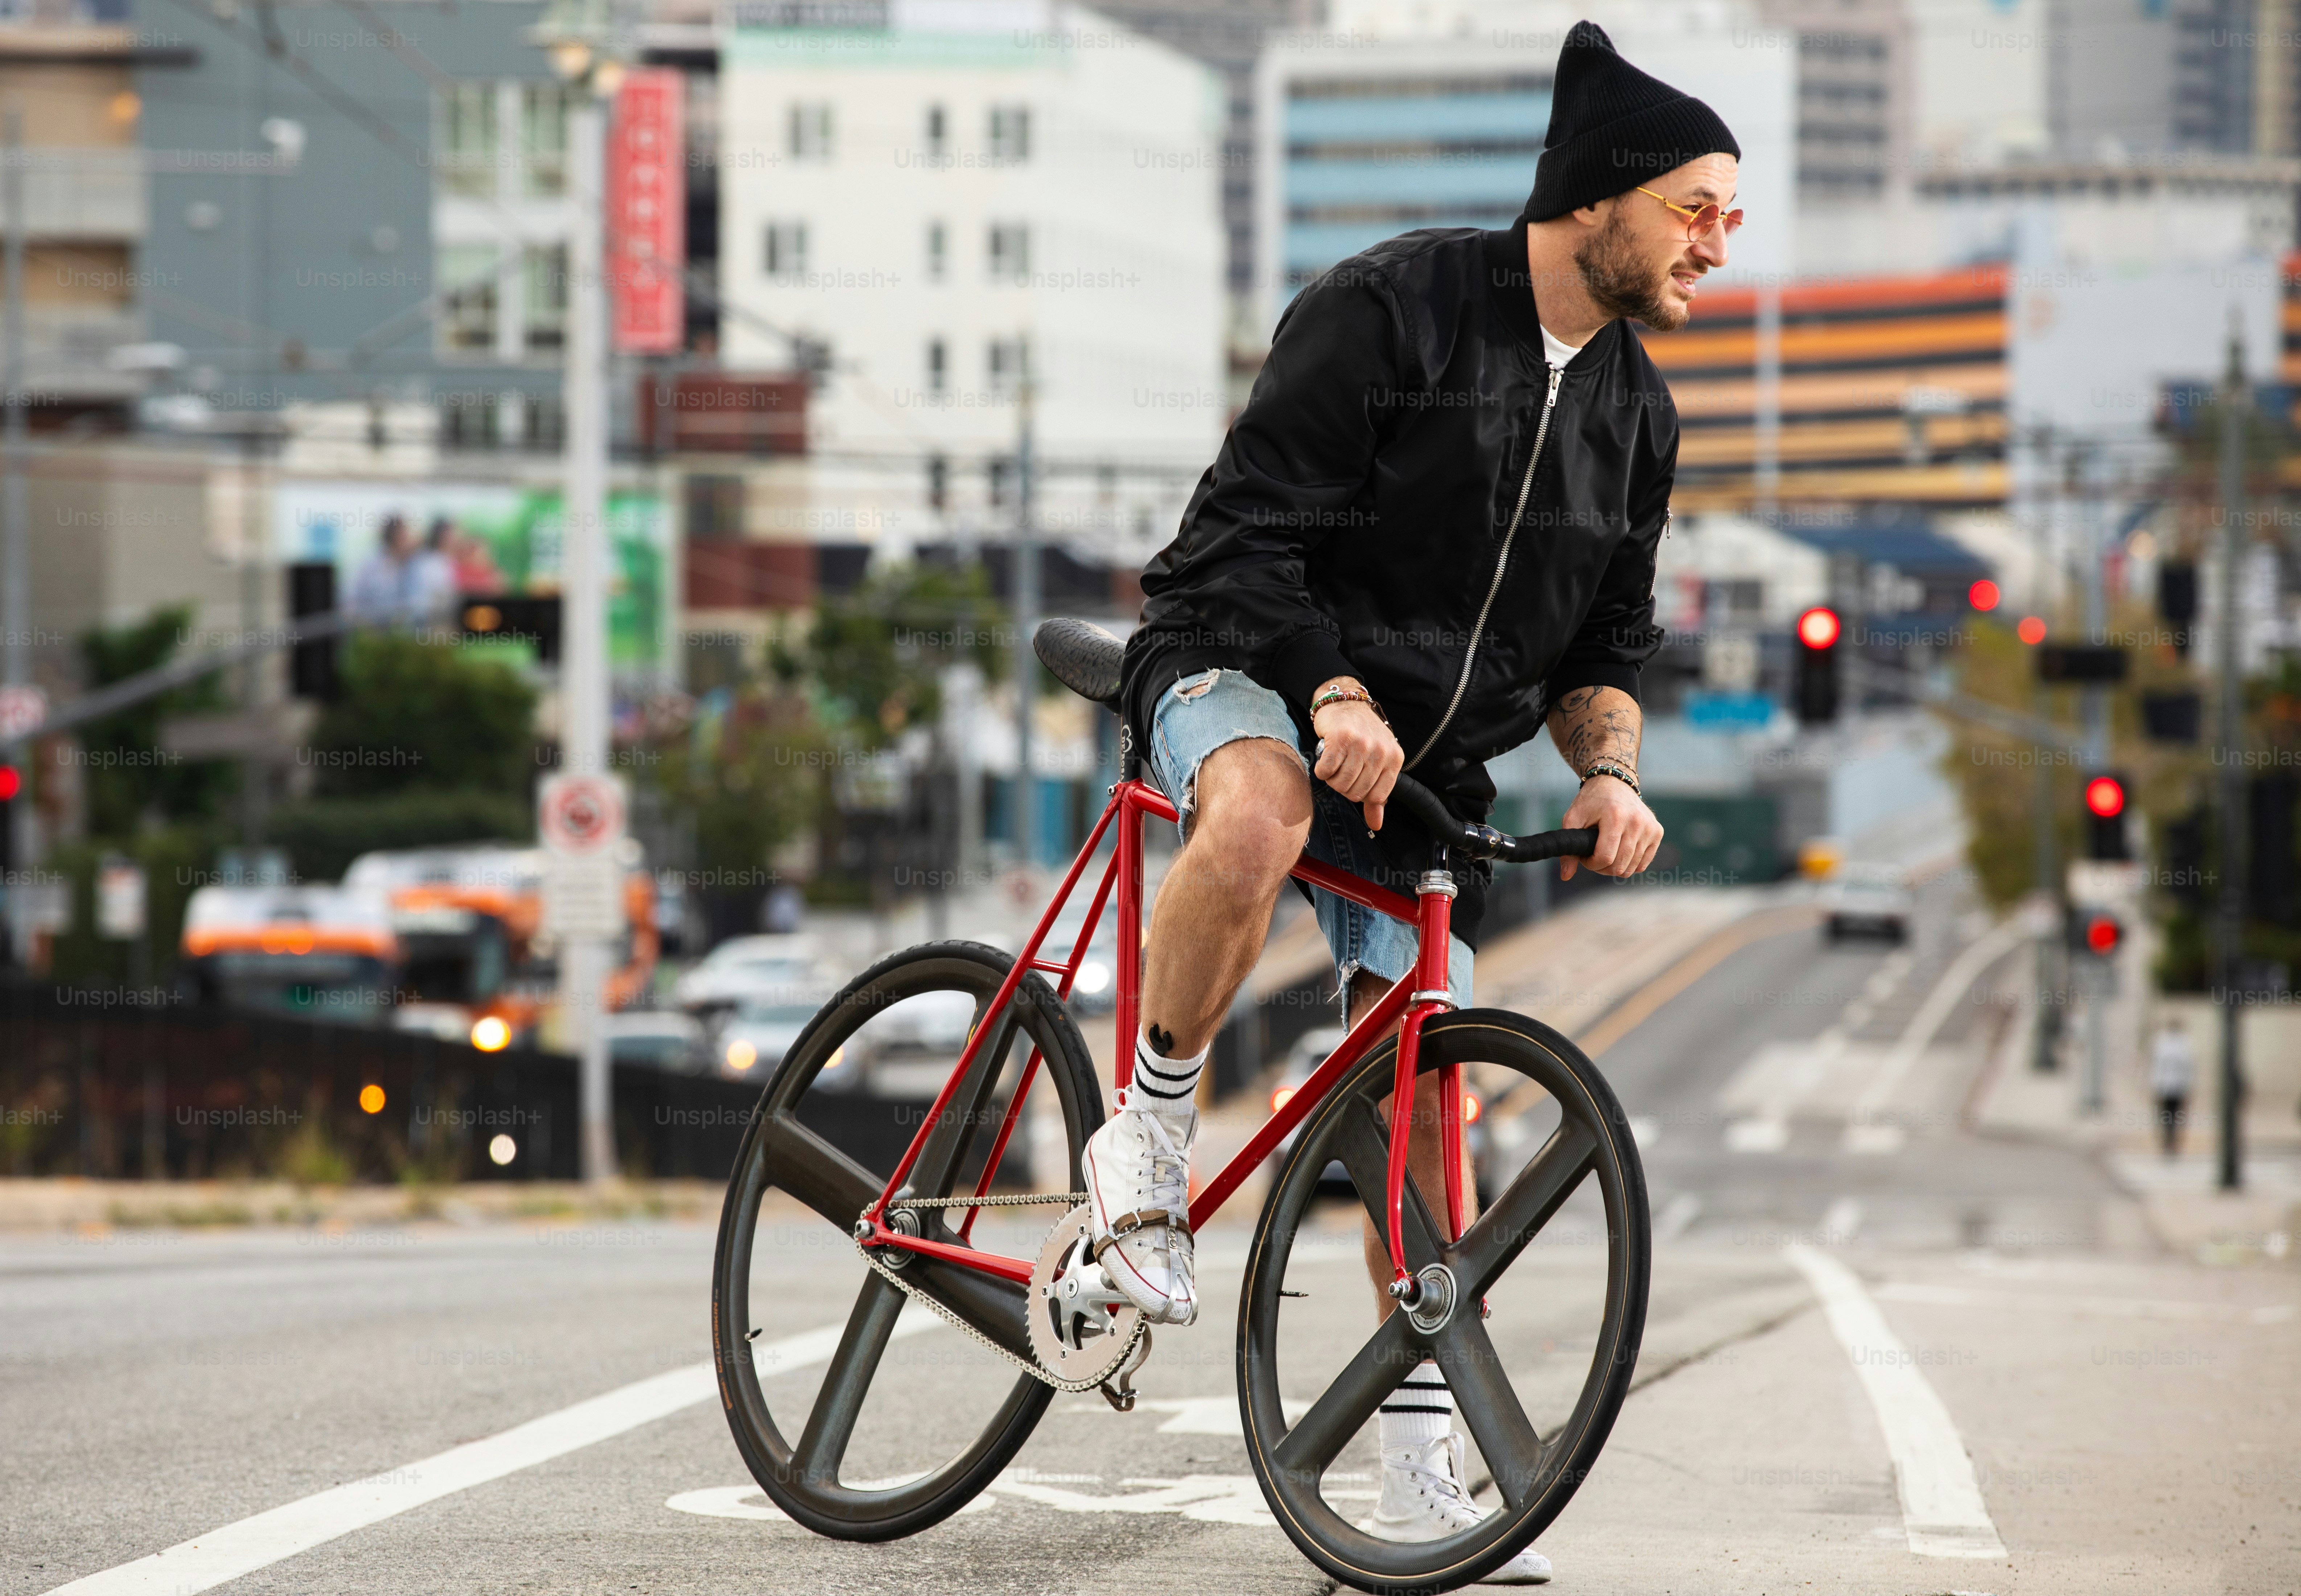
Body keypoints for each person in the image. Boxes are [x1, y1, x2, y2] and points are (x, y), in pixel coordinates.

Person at [1087, 21, 1734, 1584]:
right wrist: (1327, 691)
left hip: (1420, 772)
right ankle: (1147, 1145)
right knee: (1258, 812)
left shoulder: (1637, 419)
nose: (1718, 244)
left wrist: (1610, 768)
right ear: (1596, 199)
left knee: (1422, 1110)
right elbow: (1245, 536)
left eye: (1732, 217)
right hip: (1239, 659)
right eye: (1696, 208)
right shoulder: (1390, 311)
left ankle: (1417, 1471)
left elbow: (1602, 650)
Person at [345, 514, 417, 622]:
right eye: (404, 535)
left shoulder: (410, 564)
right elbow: (352, 599)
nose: (408, 540)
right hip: (371, 623)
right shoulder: (372, 564)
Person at [2150, 1016, 2196, 1157]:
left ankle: (2171, 1144)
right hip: (2173, 1087)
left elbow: (2158, 1066)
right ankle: (2170, 1143)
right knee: (2172, 1117)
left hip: (2171, 1086)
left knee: (2171, 1117)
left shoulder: (2164, 1042)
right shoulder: (2181, 1043)